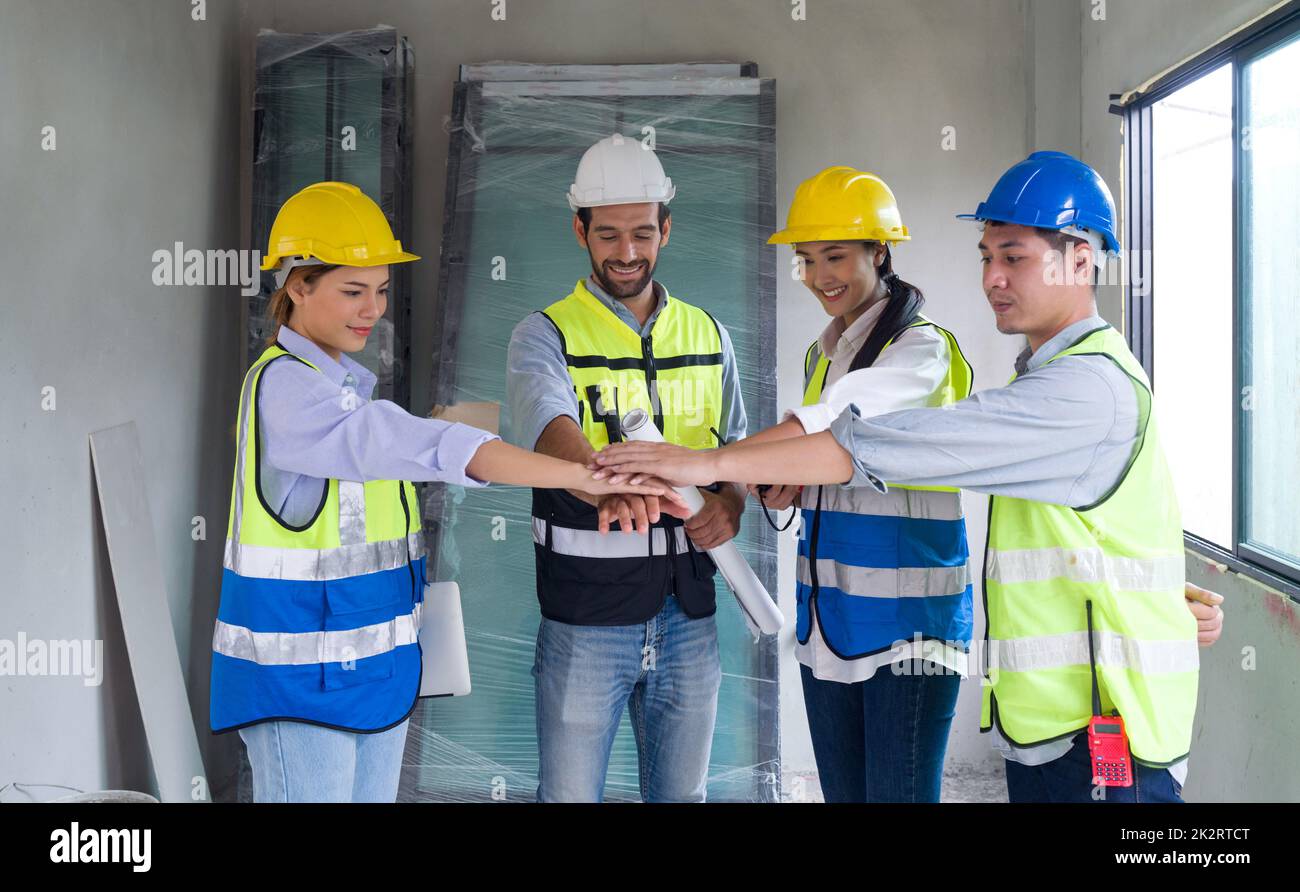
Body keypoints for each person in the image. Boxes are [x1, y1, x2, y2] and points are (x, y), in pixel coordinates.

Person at [593, 152, 1226, 803]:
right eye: (986, 257)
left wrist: (702, 463)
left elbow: (866, 441)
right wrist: (1155, 603)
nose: (992, 278)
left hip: (1077, 717)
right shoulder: (1041, 375)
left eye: (1013, 257)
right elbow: (1092, 531)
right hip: (912, 657)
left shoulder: (1068, 385)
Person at [209, 181, 681, 803]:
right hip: (299, 686)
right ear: (297, 285)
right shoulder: (286, 389)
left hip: (371, 676)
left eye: (380, 291)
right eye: (352, 291)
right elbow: (415, 443)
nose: (371, 309)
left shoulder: (341, 389)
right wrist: (583, 474)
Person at [505, 134, 748, 802]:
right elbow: (549, 427)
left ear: (666, 230)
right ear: (579, 230)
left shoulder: (710, 335)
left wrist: (730, 503)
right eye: (607, 234)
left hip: (691, 617)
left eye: (642, 233)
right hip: (586, 619)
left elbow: (736, 452)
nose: (627, 252)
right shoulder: (545, 333)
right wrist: (597, 479)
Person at [738, 165, 975, 802]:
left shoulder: (919, 350)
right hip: (831, 622)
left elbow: (839, 420)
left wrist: (712, 461)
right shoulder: (824, 352)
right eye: (807, 259)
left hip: (907, 632)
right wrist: (789, 484)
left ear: (880, 250)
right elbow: (838, 462)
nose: (819, 277)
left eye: (835, 255)